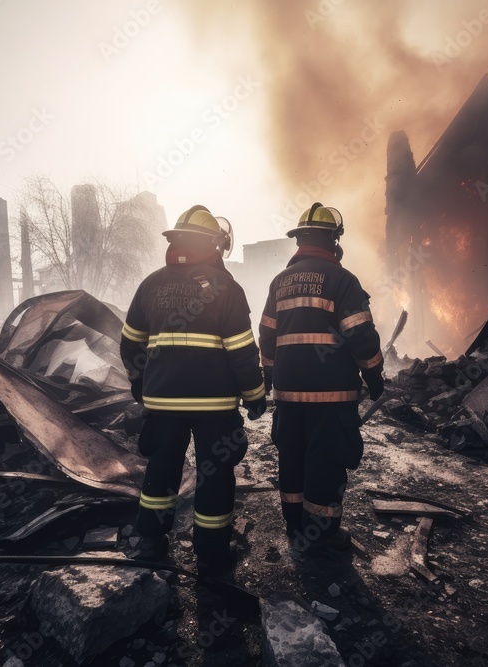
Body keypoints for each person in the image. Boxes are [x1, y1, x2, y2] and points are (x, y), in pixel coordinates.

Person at [120, 204, 266, 577]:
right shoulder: (226, 288)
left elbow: (130, 343)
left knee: (162, 466)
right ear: (215, 246)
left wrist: (141, 384)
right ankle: (212, 554)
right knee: (214, 473)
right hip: (214, 408)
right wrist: (254, 396)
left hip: (162, 404)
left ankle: (151, 542)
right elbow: (243, 353)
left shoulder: (150, 284)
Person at [258, 202, 384, 555]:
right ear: (334, 241)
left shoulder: (279, 282)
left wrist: (269, 376)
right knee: (325, 461)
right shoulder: (343, 280)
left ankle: (295, 527)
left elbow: (266, 335)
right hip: (332, 395)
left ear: (299, 241)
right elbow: (360, 336)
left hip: (287, 394)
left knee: (292, 457)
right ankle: (323, 533)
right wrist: (374, 378)